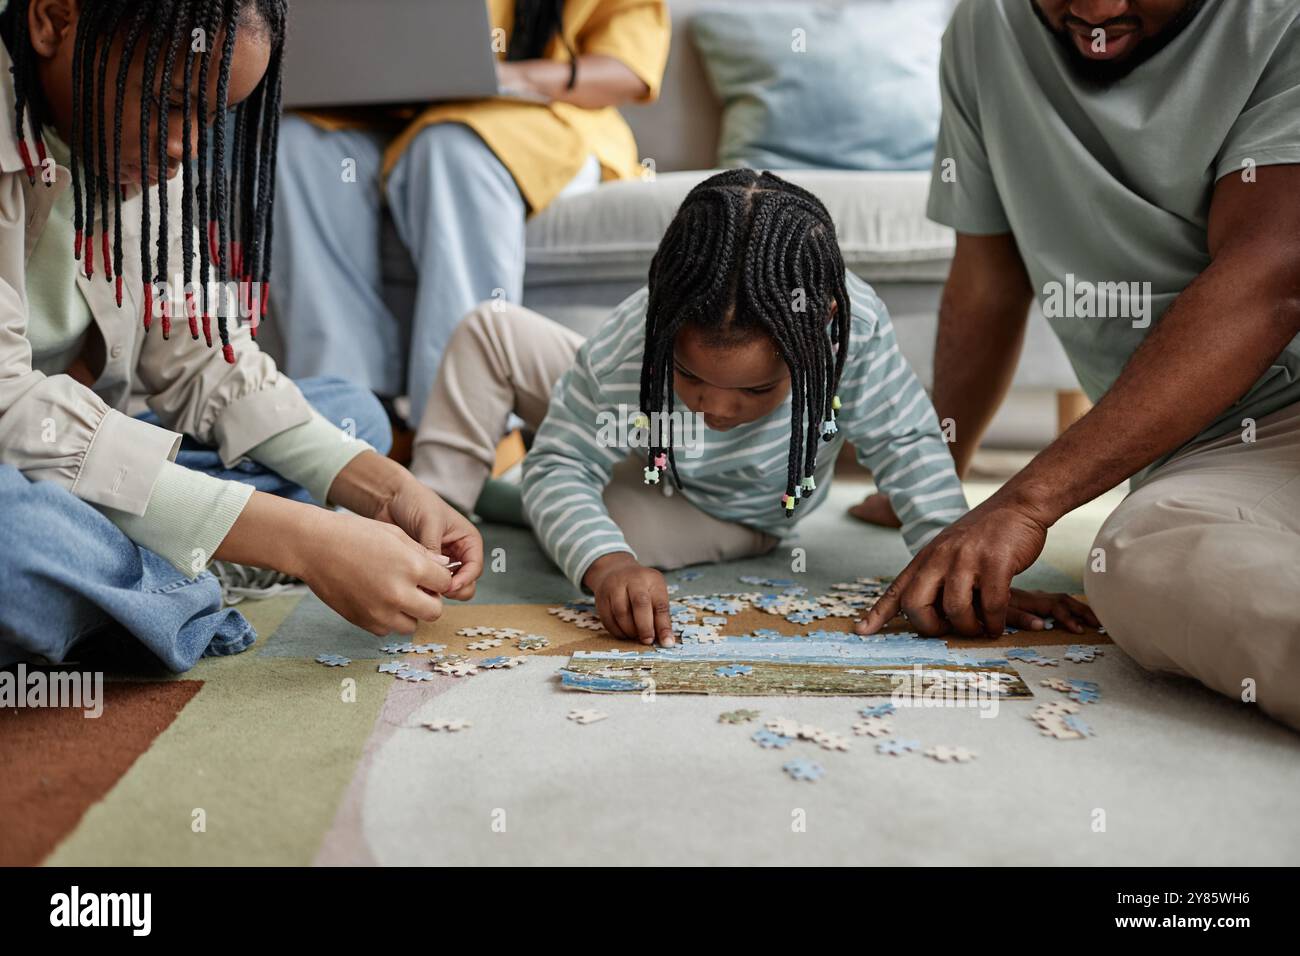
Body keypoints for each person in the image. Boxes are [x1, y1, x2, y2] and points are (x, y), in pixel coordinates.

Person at [410, 170, 1096, 644]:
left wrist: (955, 563)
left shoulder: (846, 335)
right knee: (489, 332)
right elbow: (560, 461)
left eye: (755, 391)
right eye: (694, 376)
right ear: (665, 326)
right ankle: (429, 515)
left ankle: (511, 503)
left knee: (608, 532)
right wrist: (605, 562)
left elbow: (908, 447)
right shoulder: (636, 340)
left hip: (725, 505)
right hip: (640, 418)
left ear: (819, 329)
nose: (716, 407)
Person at [854, 0, 1300, 728]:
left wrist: (1027, 500)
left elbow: (1271, 279)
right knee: (1140, 560)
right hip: (1219, 451)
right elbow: (988, 285)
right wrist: (937, 469)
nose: (1095, 9)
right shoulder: (985, 29)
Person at [0, 0, 481, 673]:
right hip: (14, 483)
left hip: (91, 465)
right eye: (169, 104)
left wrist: (388, 490)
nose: (184, 148)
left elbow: (202, 358)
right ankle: (185, 588)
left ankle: (136, 570)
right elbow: (10, 412)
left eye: (210, 117)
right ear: (53, 19)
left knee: (353, 417)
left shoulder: (136, 151)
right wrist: (309, 542)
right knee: (11, 539)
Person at [272, 0, 670, 430]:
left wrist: (515, 77)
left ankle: (460, 433)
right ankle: (344, 420)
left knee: (451, 150)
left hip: (543, 116)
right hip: (396, 116)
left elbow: (629, 72)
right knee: (295, 147)